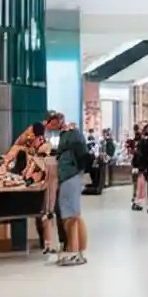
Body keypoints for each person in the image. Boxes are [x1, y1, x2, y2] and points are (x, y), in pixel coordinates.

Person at [49, 113, 90, 267]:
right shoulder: (67, 136)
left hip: (71, 176)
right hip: (69, 176)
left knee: (71, 216)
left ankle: (74, 252)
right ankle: (76, 250)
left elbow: (81, 154)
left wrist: (77, 170)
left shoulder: (71, 135)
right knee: (72, 215)